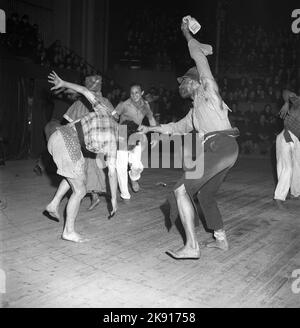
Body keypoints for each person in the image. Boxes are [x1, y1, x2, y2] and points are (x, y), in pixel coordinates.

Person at [139, 20, 239, 260]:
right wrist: (150, 129)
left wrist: (186, 33)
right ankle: (221, 240)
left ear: (195, 81)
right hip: (225, 150)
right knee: (205, 195)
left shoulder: (209, 93)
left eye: (183, 80)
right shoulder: (194, 113)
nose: (180, 85)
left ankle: (192, 247)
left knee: (181, 190)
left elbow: (200, 60)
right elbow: (176, 127)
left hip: (221, 145)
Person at [45, 71, 118, 243]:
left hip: (58, 137)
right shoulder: (114, 144)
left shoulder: (104, 111)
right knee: (80, 190)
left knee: (77, 174)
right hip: (67, 143)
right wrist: (114, 200)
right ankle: (68, 231)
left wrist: (63, 82)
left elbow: (85, 91)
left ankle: (54, 203)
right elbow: (112, 174)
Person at [63, 75, 114, 211]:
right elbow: (115, 118)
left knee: (84, 170)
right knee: (97, 169)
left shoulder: (79, 104)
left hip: (84, 143)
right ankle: (96, 196)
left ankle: (91, 196)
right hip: (100, 144)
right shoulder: (105, 102)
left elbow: (69, 124)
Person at [112, 84, 157, 200]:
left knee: (136, 164)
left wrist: (156, 135)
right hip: (122, 132)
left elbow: (152, 120)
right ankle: (124, 193)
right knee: (121, 164)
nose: (134, 95)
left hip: (136, 133)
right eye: (132, 93)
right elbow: (113, 117)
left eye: (137, 92)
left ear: (141, 93)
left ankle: (133, 177)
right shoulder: (124, 104)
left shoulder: (145, 105)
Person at [273, 90, 300, 210]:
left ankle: (295, 193)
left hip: (297, 140)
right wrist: (286, 102)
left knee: (298, 167)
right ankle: (278, 198)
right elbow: (285, 92)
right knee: (287, 168)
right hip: (286, 136)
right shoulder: (298, 101)